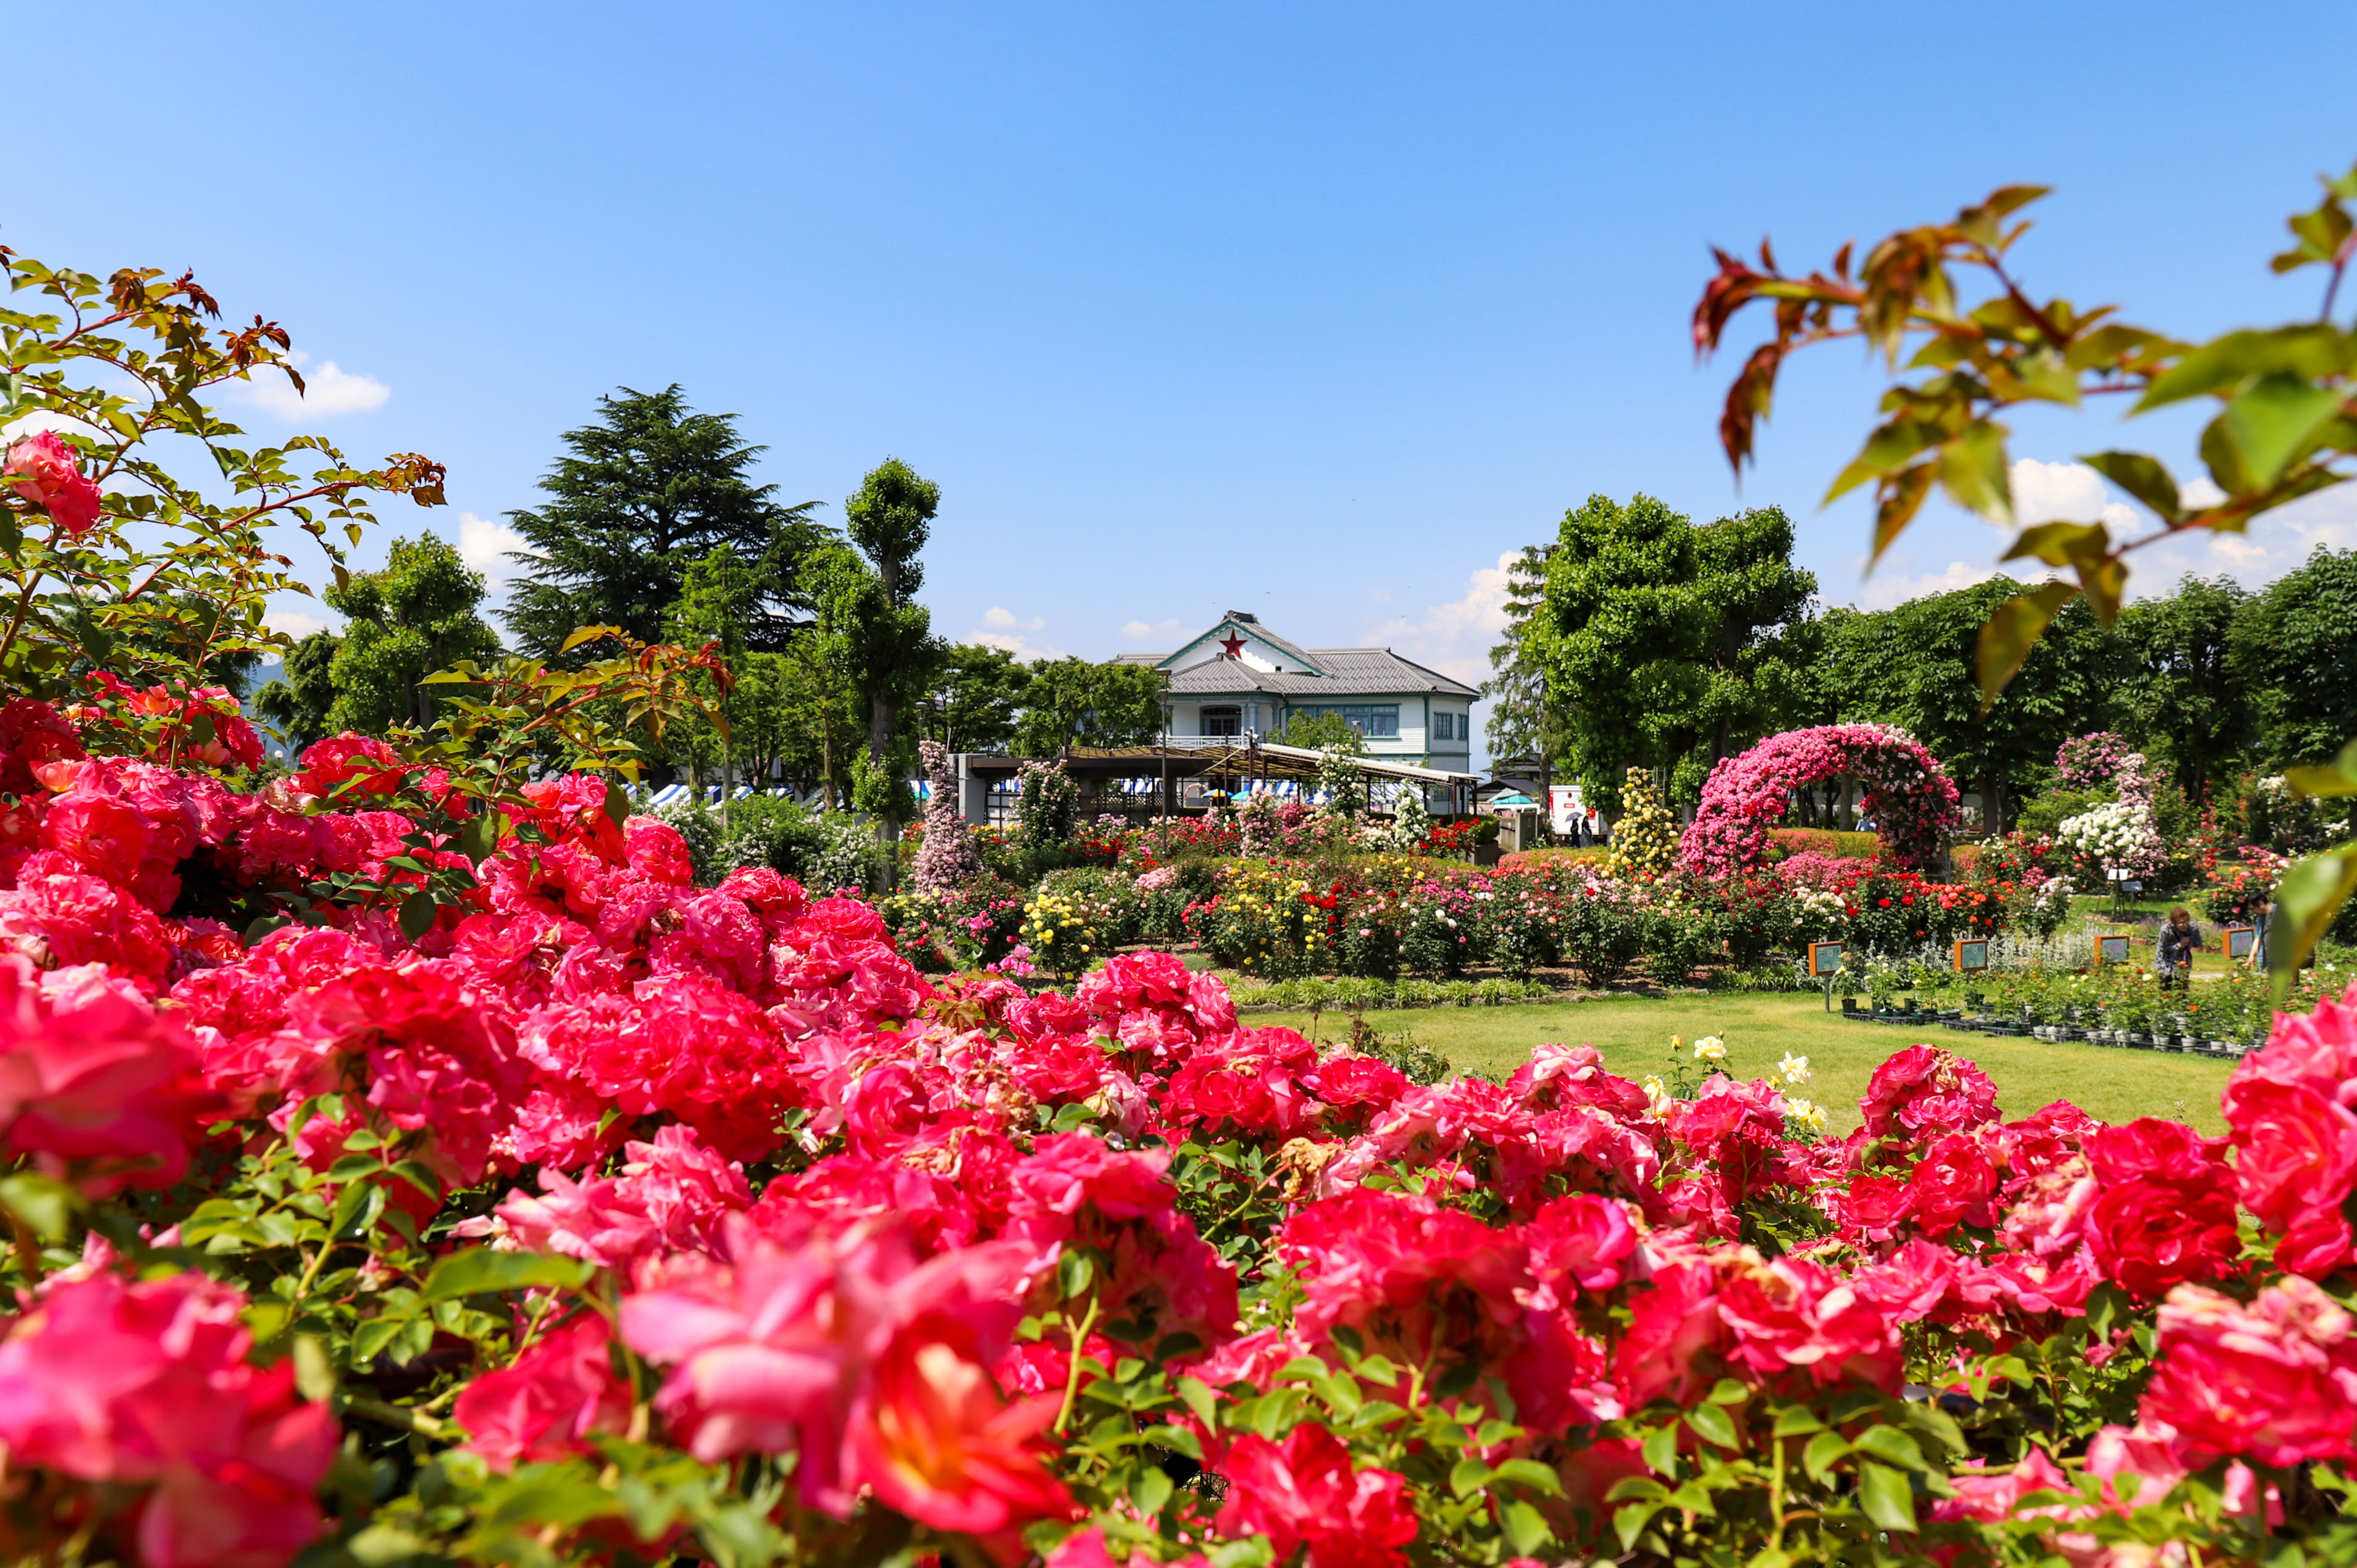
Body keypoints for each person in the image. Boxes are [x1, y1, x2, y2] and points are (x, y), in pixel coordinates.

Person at [2156, 906, 2201, 991]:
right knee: (2166, 989)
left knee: (2182, 989)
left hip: (2183, 962)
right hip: (2166, 963)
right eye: (2181, 923)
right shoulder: (2166, 930)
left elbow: (2198, 944)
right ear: (2174, 923)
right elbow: (2163, 949)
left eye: (2187, 921)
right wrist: (2179, 946)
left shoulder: (2193, 928)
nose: (2185, 925)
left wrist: (2190, 941)